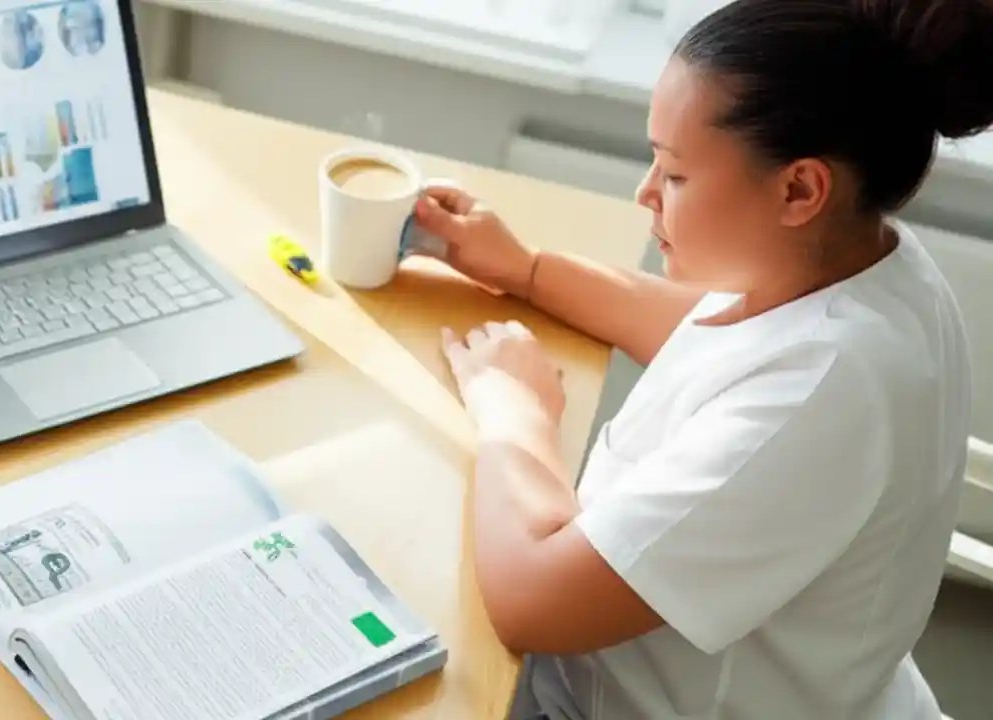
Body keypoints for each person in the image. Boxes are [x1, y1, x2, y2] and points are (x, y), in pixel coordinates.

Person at [414, 0, 986, 717]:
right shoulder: (872, 262)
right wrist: (528, 271)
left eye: (676, 175)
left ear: (800, 189)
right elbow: (718, 340)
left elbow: (531, 603)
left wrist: (515, 416)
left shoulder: (821, 397)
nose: (645, 192)